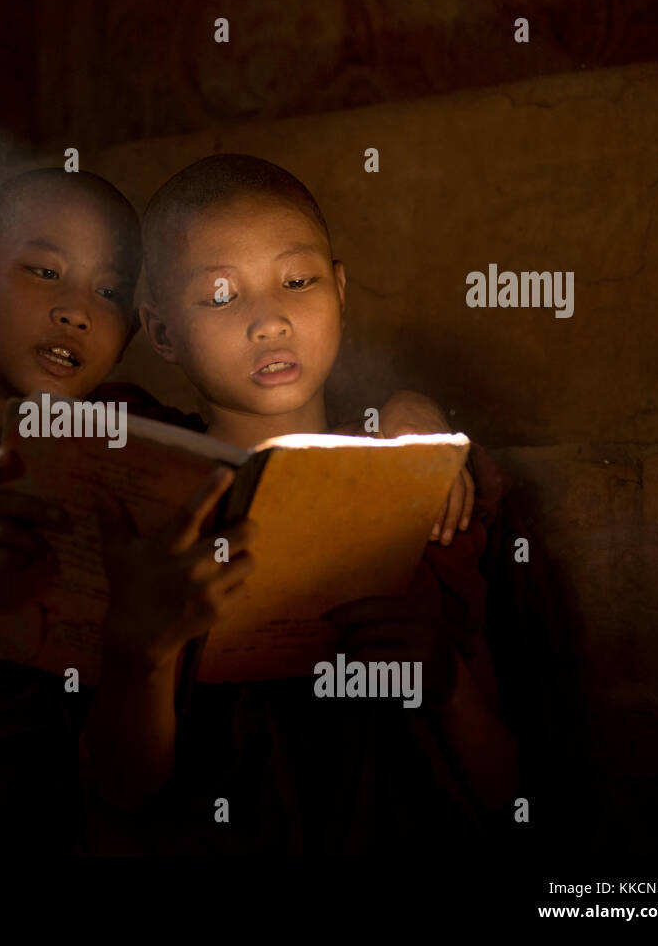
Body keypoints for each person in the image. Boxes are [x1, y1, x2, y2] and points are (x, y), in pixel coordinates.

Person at [0, 165, 468, 855]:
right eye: (44, 271)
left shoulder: (131, 437)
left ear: (135, 331)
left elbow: (250, 451)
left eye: (108, 292)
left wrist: (410, 413)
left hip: (92, 746)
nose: (76, 310)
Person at [83, 154, 520, 855]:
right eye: (222, 295)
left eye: (297, 280)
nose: (270, 319)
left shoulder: (416, 482)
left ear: (340, 288)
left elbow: (506, 789)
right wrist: (143, 653)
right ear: (161, 332)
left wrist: (444, 682)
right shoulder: (146, 491)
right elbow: (120, 790)